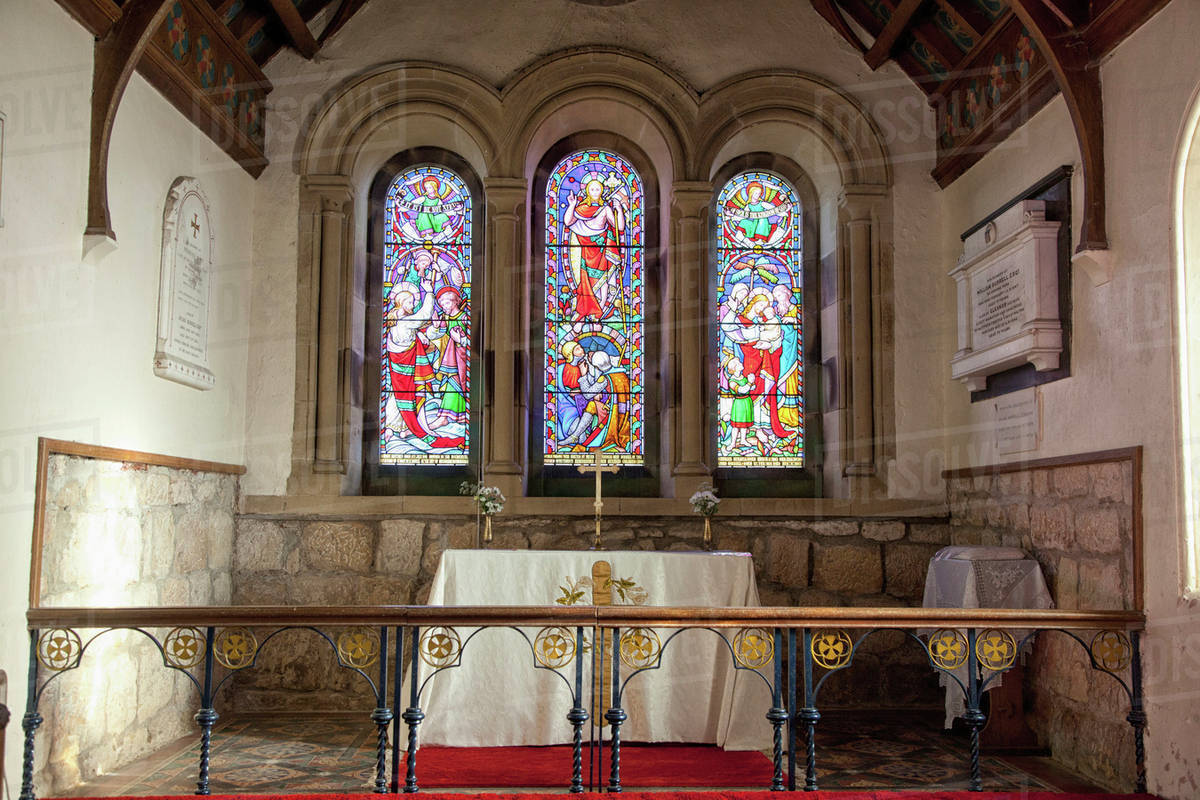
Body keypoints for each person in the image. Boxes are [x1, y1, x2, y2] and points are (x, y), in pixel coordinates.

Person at [384, 276, 465, 451]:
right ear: (401, 302)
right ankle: (397, 428)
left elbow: (428, 334)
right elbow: (424, 315)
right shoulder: (404, 322)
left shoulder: (400, 321)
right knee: (402, 398)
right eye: (411, 302)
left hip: (403, 370)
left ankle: (399, 428)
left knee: (399, 397)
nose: (413, 305)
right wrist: (428, 292)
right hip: (405, 370)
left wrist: (433, 329)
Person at [563, 177, 626, 319]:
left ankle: (600, 310)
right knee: (587, 280)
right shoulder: (582, 209)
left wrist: (619, 209)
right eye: (592, 189)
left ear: (602, 191)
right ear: (587, 191)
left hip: (602, 249)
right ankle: (587, 310)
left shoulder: (605, 209)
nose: (595, 192)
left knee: (603, 279)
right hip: (587, 251)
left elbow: (620, 227)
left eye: (598, 189)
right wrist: (572, 204)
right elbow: (568, 221)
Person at [427, 286, 470, 430]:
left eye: (446, 303)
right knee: (452, 385)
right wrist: (436, 326)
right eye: (442, 304)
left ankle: (446, 417)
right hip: (449, 360)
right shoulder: (446, 318)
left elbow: (474, 342)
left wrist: (460, 340)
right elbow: (436, 336)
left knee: (457, 385)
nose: (443, 307)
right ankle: (449, 416)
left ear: (455, 302)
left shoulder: (465, 318)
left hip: (461, 361)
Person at [724, 356, 755, 451]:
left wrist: (752, 384)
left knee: (744, 424)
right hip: (739, 403)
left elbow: (750, 389)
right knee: (736, 425)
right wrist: (750, 383)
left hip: (747, 402)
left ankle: (743, 440)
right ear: (734, 368)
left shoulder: (743, 377)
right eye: (739, 363)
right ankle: (733, 443)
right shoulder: (732, 381)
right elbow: (741, 390)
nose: (741, 364)